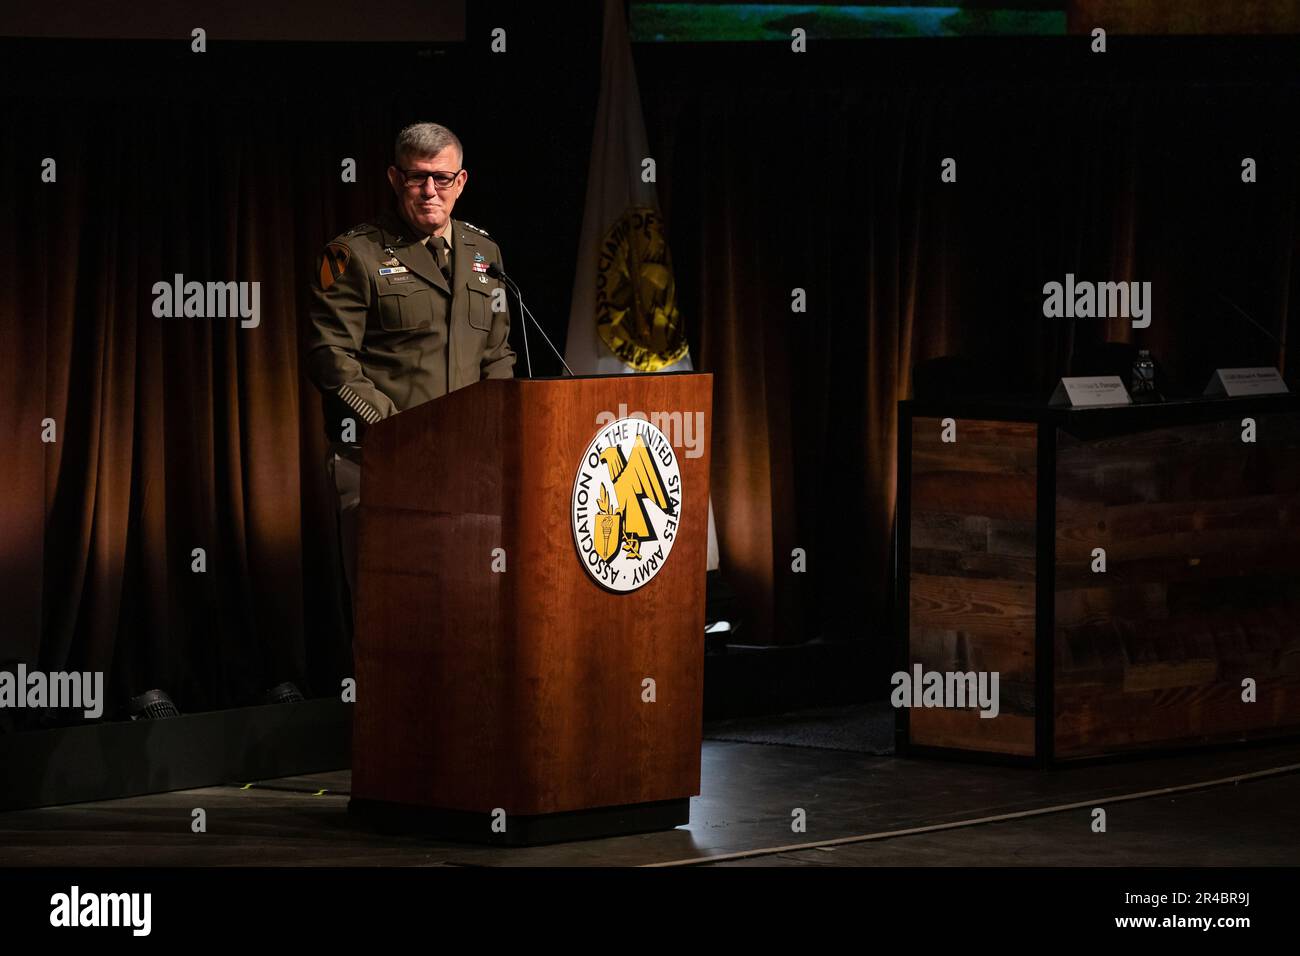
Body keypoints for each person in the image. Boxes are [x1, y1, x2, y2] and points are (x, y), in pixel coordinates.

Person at [305, 122, 516, 625]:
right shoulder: (353, 254)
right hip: (382, 457)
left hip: (469, 461)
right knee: (392, 611)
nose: (430, 191)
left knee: (468, 604)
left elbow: (498, 350)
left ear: (461, 181)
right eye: (417, 178)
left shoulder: (486, 254)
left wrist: (496, 424)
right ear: (395, 179)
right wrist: (400, 429)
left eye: (442, 179)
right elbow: (330, 358)